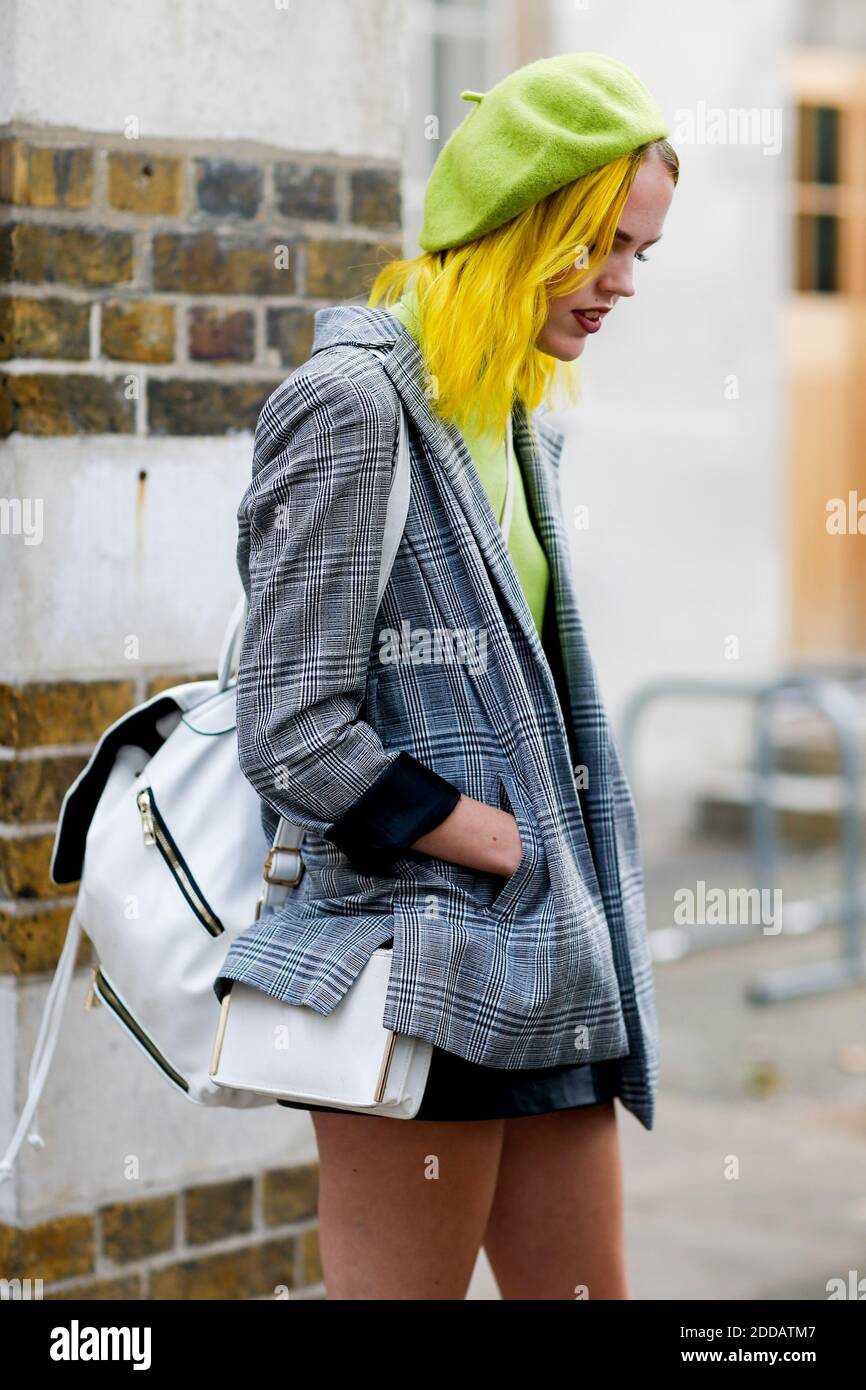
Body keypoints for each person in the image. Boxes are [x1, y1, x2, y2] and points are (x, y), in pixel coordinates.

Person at [216, 51, 678, 1300]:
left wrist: (542, 859)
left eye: (643, 251)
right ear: (522, 226)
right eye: (604, 246)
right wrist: (485, 837)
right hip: (416, 968)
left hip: (555, 963)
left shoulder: (516, 409)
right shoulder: (354, 406)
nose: (624, 283)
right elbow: (291, 726)